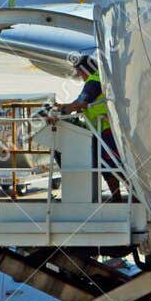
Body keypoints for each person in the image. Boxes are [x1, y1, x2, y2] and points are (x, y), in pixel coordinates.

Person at [55, 54, 124, 202]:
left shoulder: (94, 80)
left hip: (105, 129)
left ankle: (128, 198)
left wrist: (62, 111)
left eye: (80, 72)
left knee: (113, 165)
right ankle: (120, 198)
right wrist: (66, 106)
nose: (80, 76)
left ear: (86, 69)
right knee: (110, 167)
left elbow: (82, 102)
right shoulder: (101, 78)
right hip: (103, 129)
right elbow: (83, 102)